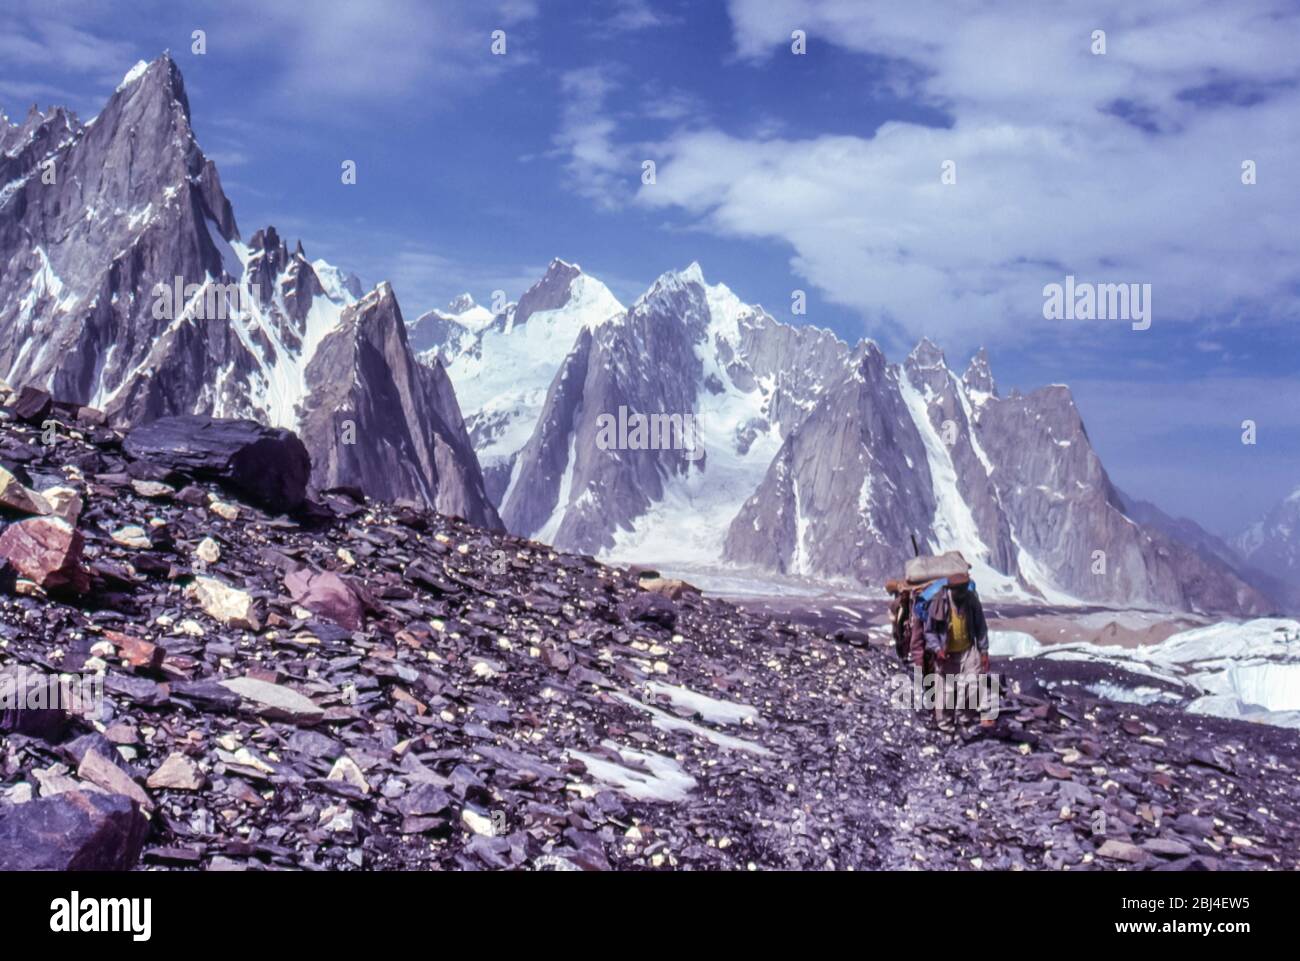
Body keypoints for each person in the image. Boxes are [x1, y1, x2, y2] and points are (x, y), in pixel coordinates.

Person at [931, 573, 991, 734]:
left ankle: (964, 720)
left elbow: (981, 626)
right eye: (959, 591)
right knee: (946, 693)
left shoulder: (971, 600)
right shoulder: (939, 602)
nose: (963, 594)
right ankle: (946, 727)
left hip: (968, 650)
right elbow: (929, 631)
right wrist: (937, 649)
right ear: (952, 590)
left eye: (965, 590)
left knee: (974, 685)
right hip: (946, 653)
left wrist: (983, 651)